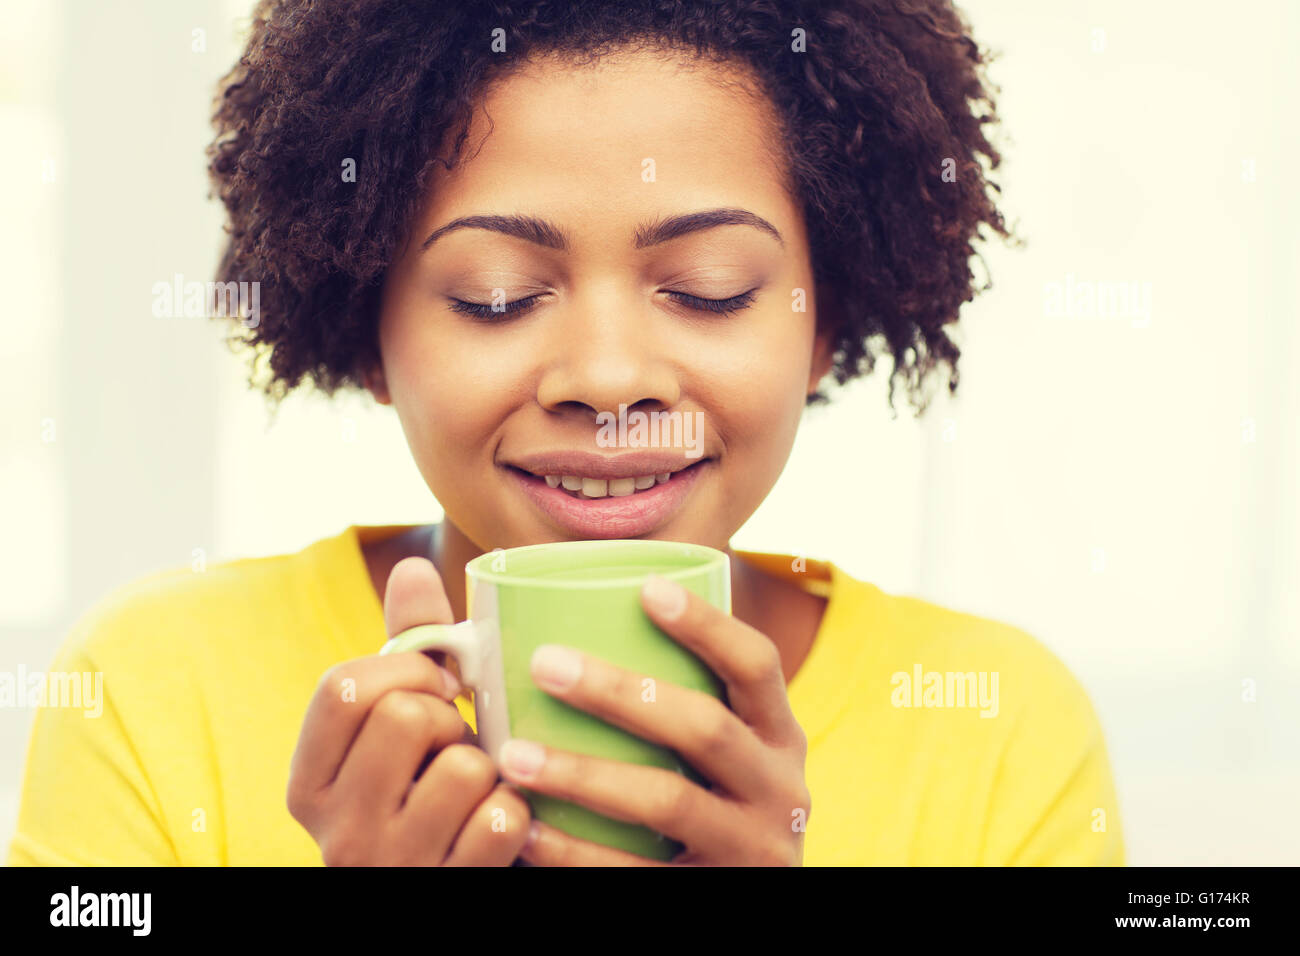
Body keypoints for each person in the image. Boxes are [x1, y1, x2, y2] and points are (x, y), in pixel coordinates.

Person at [8, 0, 1123, 866]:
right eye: (493, 295)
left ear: (825, 319)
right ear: (362, 323)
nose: (606, 378)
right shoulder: (154, 691)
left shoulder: (1000, 734)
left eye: (710, 286)